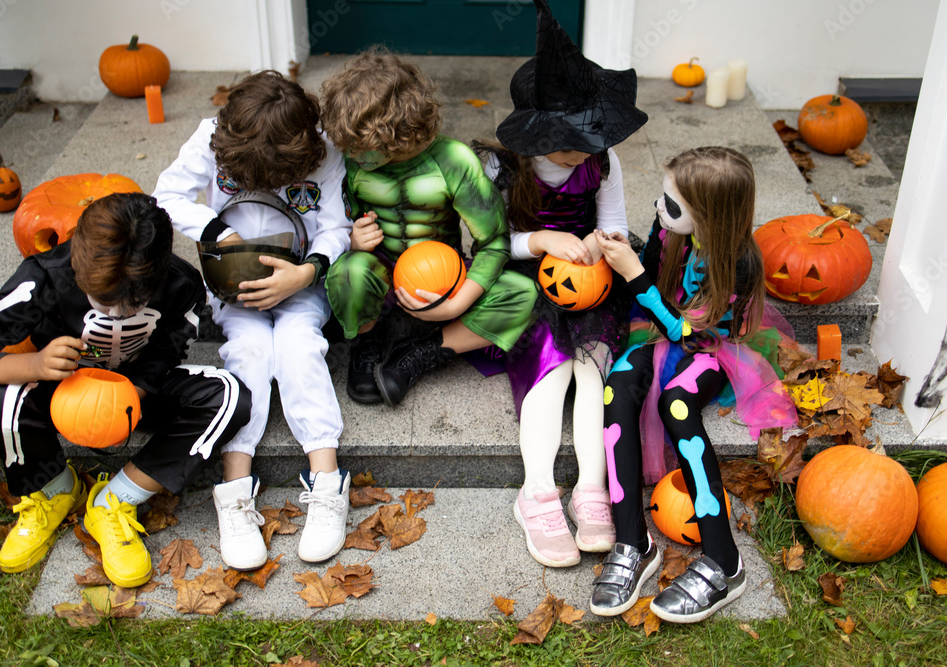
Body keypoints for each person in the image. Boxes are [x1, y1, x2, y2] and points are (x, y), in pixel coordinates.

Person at [0, 192, 252, 587]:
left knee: (230, 395)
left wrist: (137, 391)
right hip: (59, 389)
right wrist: (34, 365)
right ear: (78, 265)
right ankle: (53, 489)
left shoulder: (183, 285)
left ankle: (116, 499)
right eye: (105, 302)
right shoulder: (44, 276)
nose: (118, 313)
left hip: (135, 396)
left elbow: (168, 349)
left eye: (134, 304)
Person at [153, 70, 357, 568]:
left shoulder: (325, 149)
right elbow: (166, 197)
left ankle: (327, 482)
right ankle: (235, 490)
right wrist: (217, 231)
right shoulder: (211, 136)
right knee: (247, 351)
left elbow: (337, 227)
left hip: (300, 281)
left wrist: (305, 273)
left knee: (298, 343)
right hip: (234, 287)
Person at [590, 146, 797, 622]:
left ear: (707, 215)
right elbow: (651, 286)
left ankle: (725, 560)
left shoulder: (739, 263)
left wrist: (633, 273)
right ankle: (633, 541)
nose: (659, 207)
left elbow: (691, 334)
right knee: (616, 389)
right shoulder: (671, 230)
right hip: (659, 328)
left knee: (677, 403)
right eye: (662, 197)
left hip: (712, 346)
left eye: (671, 203)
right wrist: (630, 255)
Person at [476, 0, 647, 568]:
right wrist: (543, 239)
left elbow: (615, 223)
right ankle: (537, 492)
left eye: (592, 139)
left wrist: (603, 241)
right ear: (537, 135)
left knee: (593, 367)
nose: (584, 151)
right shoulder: (506, 170)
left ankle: (592, 488)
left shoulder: (603, 161)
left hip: (592, 278)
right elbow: (493, 245)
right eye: (572, 141)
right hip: (529, 278)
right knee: (552, 369)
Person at [318, 49, 538, 407]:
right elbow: (332, 223)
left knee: (523, 293)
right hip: (381, 272)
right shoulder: (351, 160)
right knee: (348, 272)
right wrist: (352, 239)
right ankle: (367, 342)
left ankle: (426, 349)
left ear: (392, 135)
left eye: (359, 146)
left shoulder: (453, 160)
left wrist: (456, 304)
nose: (350, 152)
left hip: (443, 280)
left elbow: (494, 242)